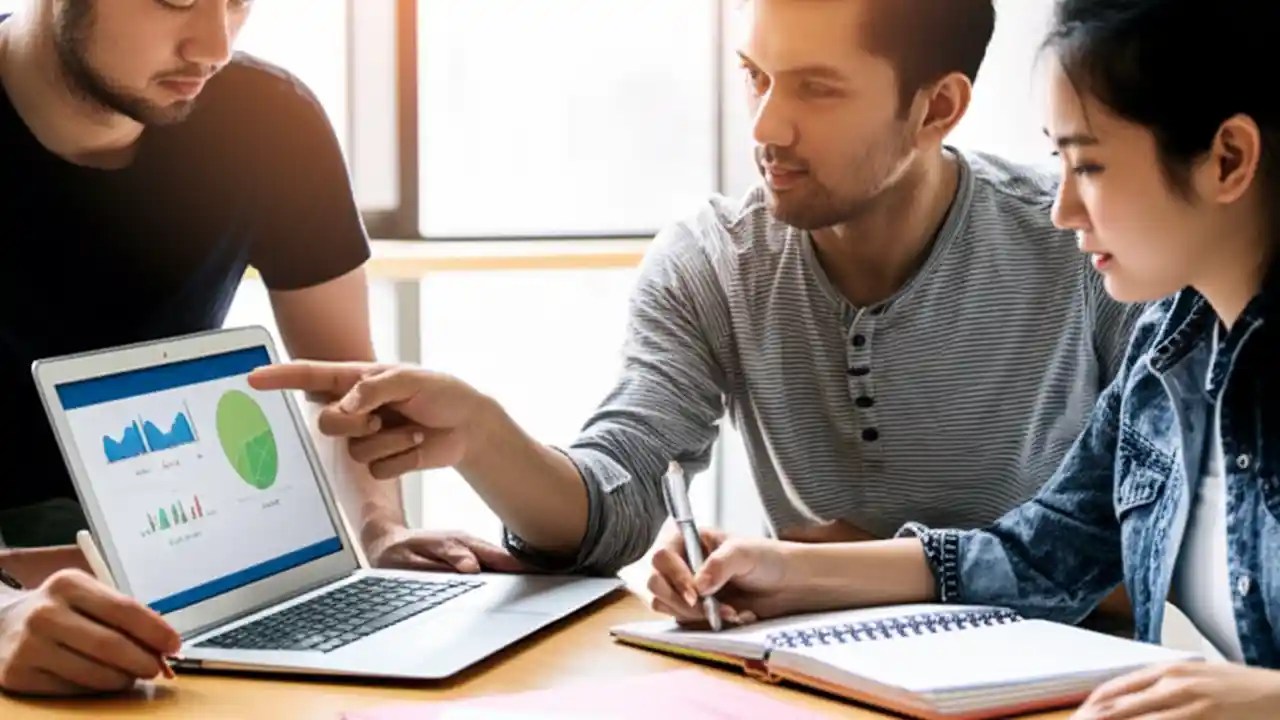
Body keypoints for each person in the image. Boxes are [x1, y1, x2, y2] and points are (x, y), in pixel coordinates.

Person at [250, 0, 1143, 580]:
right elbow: (621, 499)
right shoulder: (716, 259)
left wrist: (858, 574)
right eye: (754, 76)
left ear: (938, 108)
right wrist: (484, 437)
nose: (764, 127)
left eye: (817, 90)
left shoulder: (1088, 245)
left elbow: (1148, 561)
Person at [642, 0, 1280, 716]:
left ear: (1228, 160)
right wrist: (786, 570)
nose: (1063, 208)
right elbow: (1041, 554)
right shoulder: (1170, 349)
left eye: (1090, 165)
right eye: (1058, 162)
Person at [0, 0, 517, 697]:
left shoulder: (268, 119)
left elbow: (347, 383)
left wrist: (381, 531)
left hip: (182, 570)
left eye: (239, 1)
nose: (214, 46)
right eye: (178, 0)